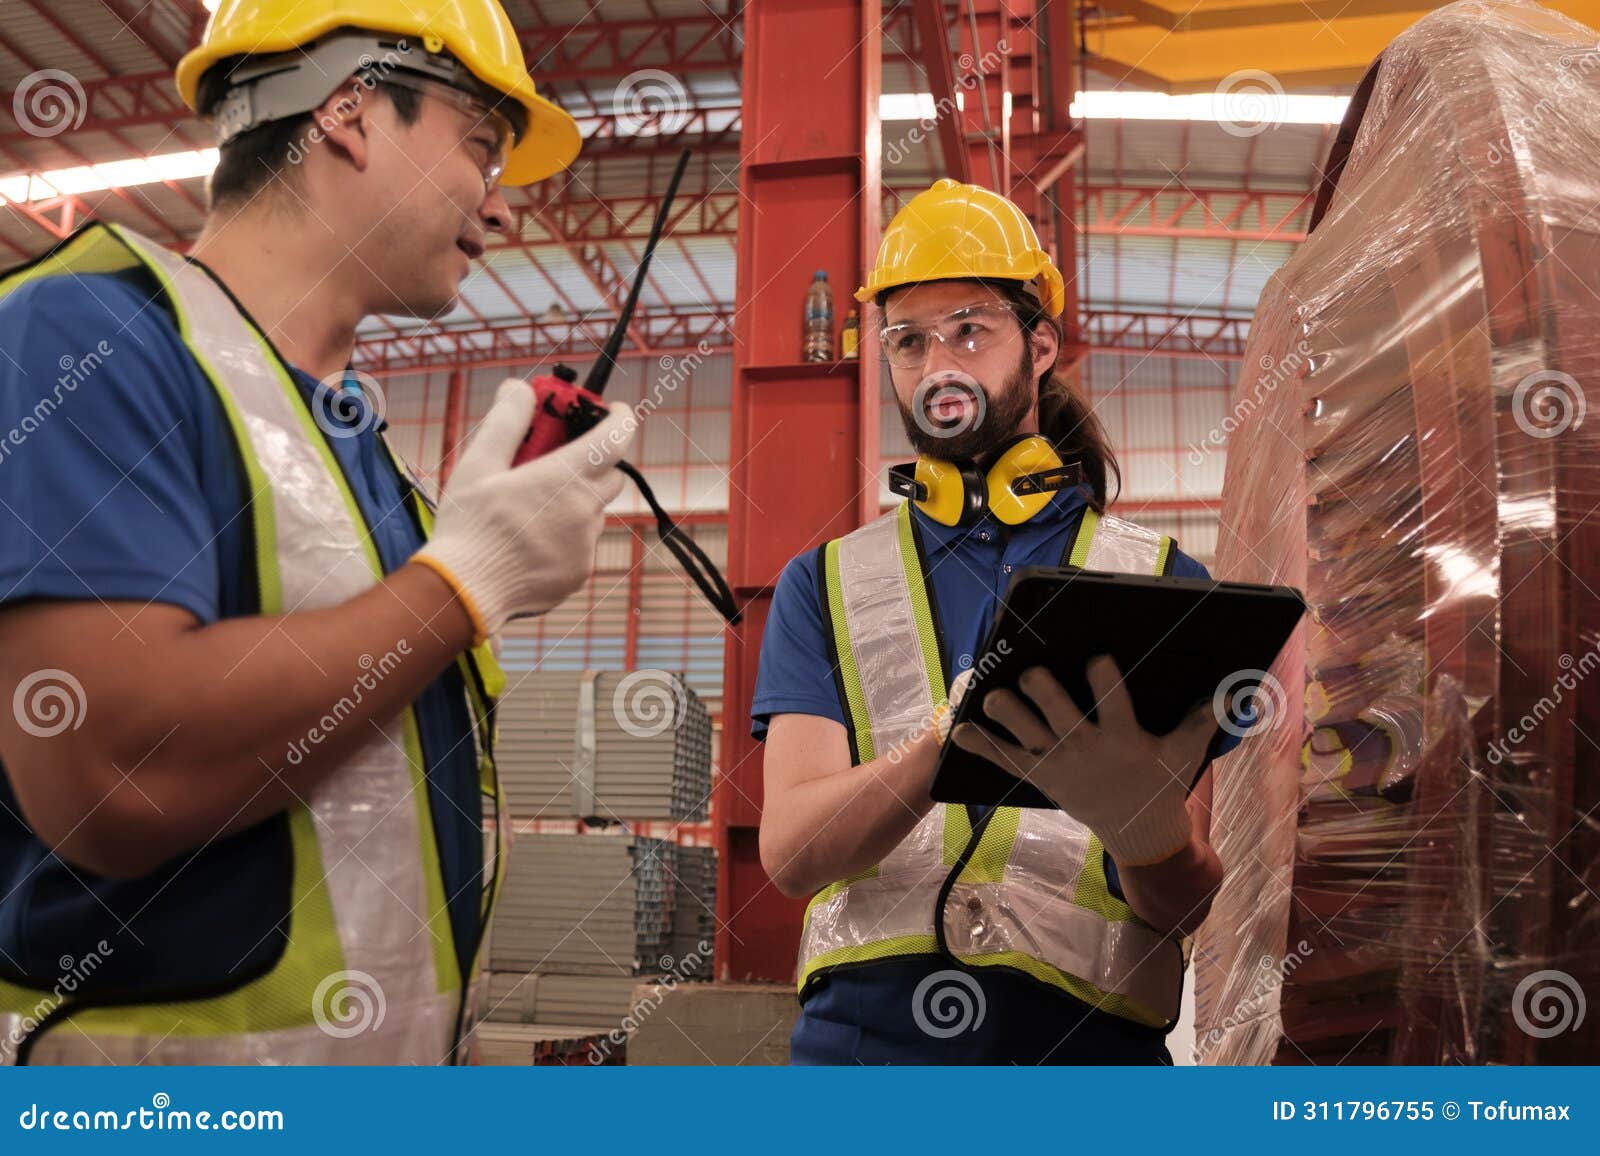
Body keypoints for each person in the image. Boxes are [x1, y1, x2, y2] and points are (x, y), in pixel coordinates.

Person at [0, 0, 636, 1065]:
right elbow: (111, 771)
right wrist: (460, 584)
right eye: (482, 146)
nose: (501, 203)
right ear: (349, 114)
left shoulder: (363, 458)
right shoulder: (81, 339)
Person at [753, 178, 1244, 1065]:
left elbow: (1185, 904)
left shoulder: (1167, 584)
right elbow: (791, 855)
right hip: (863, 1059)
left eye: (971, 329)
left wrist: (1141, 824)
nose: (939, 363)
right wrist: (944, 747)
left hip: (1088, 1066)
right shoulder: (823, 583)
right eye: (908, 341)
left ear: (1042, 342)